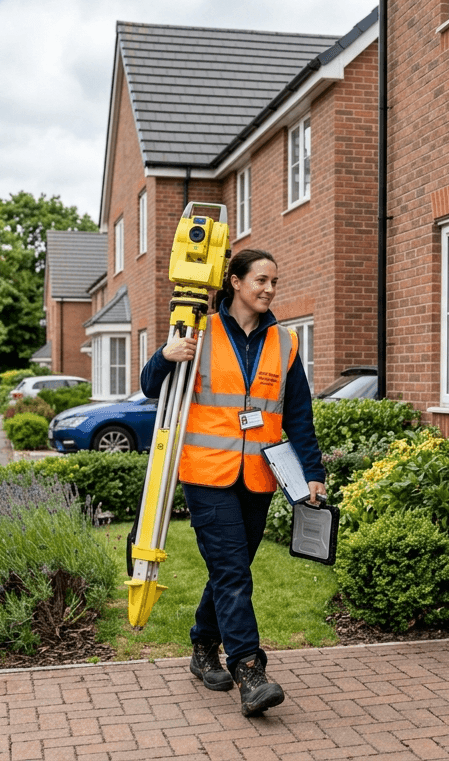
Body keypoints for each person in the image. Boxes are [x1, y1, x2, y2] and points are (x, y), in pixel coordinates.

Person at [140, 247, 326, 717]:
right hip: (206, 474)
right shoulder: (198, 332)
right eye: (260, 280)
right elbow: (149, 385)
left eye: (274, 282)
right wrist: (165, 355)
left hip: (259, 476)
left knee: (230, 569)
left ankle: (203, 648)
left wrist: (313, 474)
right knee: (232, 572)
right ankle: (249, 668)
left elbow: (299, 417)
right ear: (236, 282)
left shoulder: (285, 342)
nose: (268, 289)